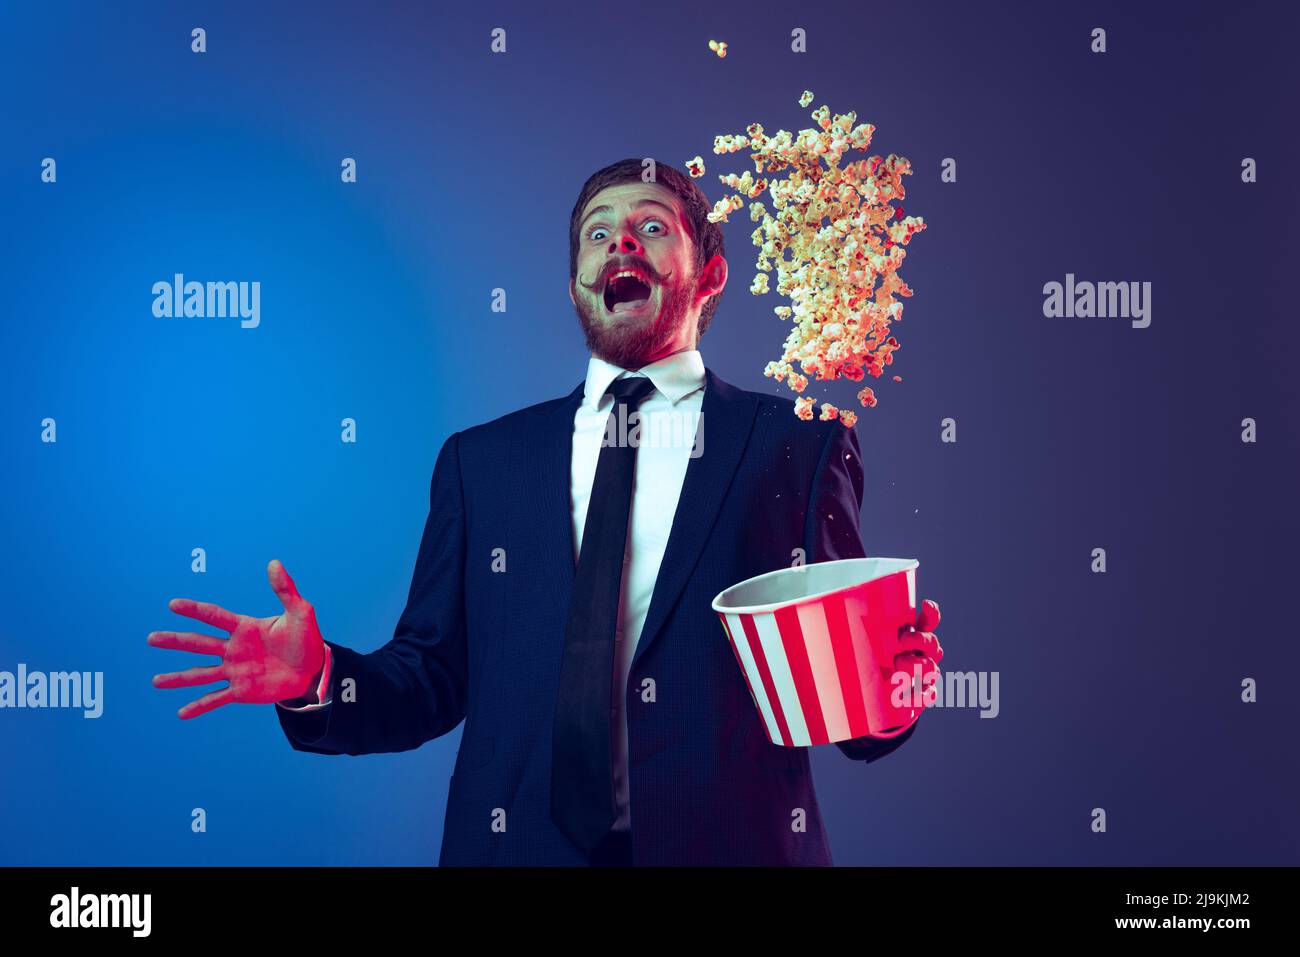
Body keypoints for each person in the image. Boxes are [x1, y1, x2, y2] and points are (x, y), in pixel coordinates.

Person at [148, 157, 944, 867]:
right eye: (597, 235)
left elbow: (845, 694)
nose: (619, 244)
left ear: (709, 275)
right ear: (575, 285)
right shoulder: (482, 463)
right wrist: (320, 678)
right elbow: (430, 674)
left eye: (651, 226)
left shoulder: (796, 443)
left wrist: (894, 689)